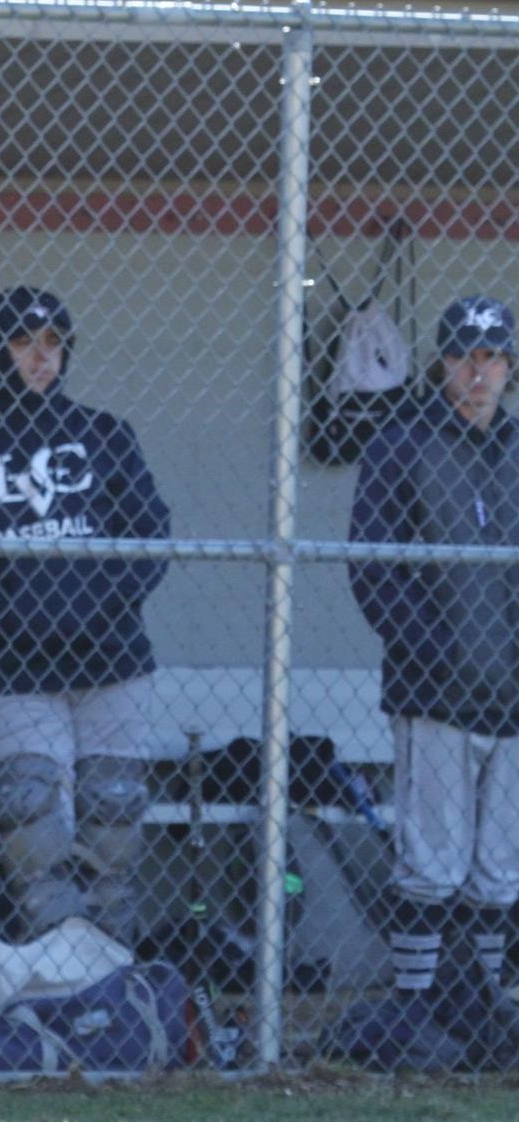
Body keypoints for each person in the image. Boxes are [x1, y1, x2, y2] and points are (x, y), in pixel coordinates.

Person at [0, 288, 172, 948]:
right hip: (19, 663)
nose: (41, 357)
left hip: (112, 657)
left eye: (54, 343)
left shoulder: (106, 434)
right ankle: (55, 972)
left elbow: (151, 534)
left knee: (112, 813)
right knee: (30, 813)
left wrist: (94, 605)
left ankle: (112, 974)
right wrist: (16, 613)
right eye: (25, 343)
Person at [345, 294, 519, 1071]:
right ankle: (416, 1015)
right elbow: (373, 567)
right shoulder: (402, 442)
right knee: (433, 862)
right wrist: (432, 650)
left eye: (492, 356)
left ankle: (481, 1019)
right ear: (441, 361)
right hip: (437, 691)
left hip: (513, 695)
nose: (477, 372)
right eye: (462, 355)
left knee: (497, 870)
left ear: (511, 365)